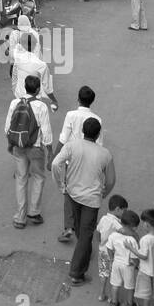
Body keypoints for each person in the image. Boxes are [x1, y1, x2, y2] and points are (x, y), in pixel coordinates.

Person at [51, 117, 116, 285]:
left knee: (81, 230)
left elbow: (56, 163)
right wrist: (103, 194)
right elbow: (110, 181)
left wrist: (61, 184)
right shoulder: (105, 154)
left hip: (73, 194)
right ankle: (76, 273)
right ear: (98, 134)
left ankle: (83, 254)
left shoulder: (72, 146)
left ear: (83, 131)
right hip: (91, 200)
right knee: (86, 234)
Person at [55, 86, 104, 242]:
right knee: (87, 191)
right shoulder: (98, 119)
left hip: (72, 159)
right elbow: (100, 144)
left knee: (69, 192)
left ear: (78, 98)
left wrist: (55, 157)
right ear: (92, 101)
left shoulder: (71, 115)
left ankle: (69, 227)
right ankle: (84, 224)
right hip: (91, 161)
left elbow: (63, 138)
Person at [4, 74, 53, 229]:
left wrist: (11, 144)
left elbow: (7, 128)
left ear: (25, 87)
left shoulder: (14, 103)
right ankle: (34, 212)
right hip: (35, 148)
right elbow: (46, 132)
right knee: (38, 177)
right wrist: (50, 151)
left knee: (21, 179)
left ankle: (20, 217)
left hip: (18, 147)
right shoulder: (41, 106)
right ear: (38, 89)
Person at [106, 209, 142, 306]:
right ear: (134, 227)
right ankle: (130, 305)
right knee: (130, 286)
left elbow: (109, 248)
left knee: (115, 284)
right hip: (128, 266)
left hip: (116, 263)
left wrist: (112, 259)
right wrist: (136, 265)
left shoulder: (113, 236)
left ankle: (114, 302)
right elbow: (135, 257)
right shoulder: (132, 241)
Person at [96, 195, 128, 302]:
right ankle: (111, 296)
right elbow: (125, 232)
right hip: (112, 253)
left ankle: (101, 294)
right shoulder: (116, 223)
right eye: (124, 211)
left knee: (103, 273)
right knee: (112, 275)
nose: (124, 214)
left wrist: (100, 243)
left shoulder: (103, 219)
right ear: (118, 209)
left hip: (102, 251)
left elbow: (98, 232)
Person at [134, 209, 154, 306]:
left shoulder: (145, 240)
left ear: (147, 224)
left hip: (146, 270)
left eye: (143, 222)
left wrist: (131, 248)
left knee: (146, 293)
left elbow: (143, 256)